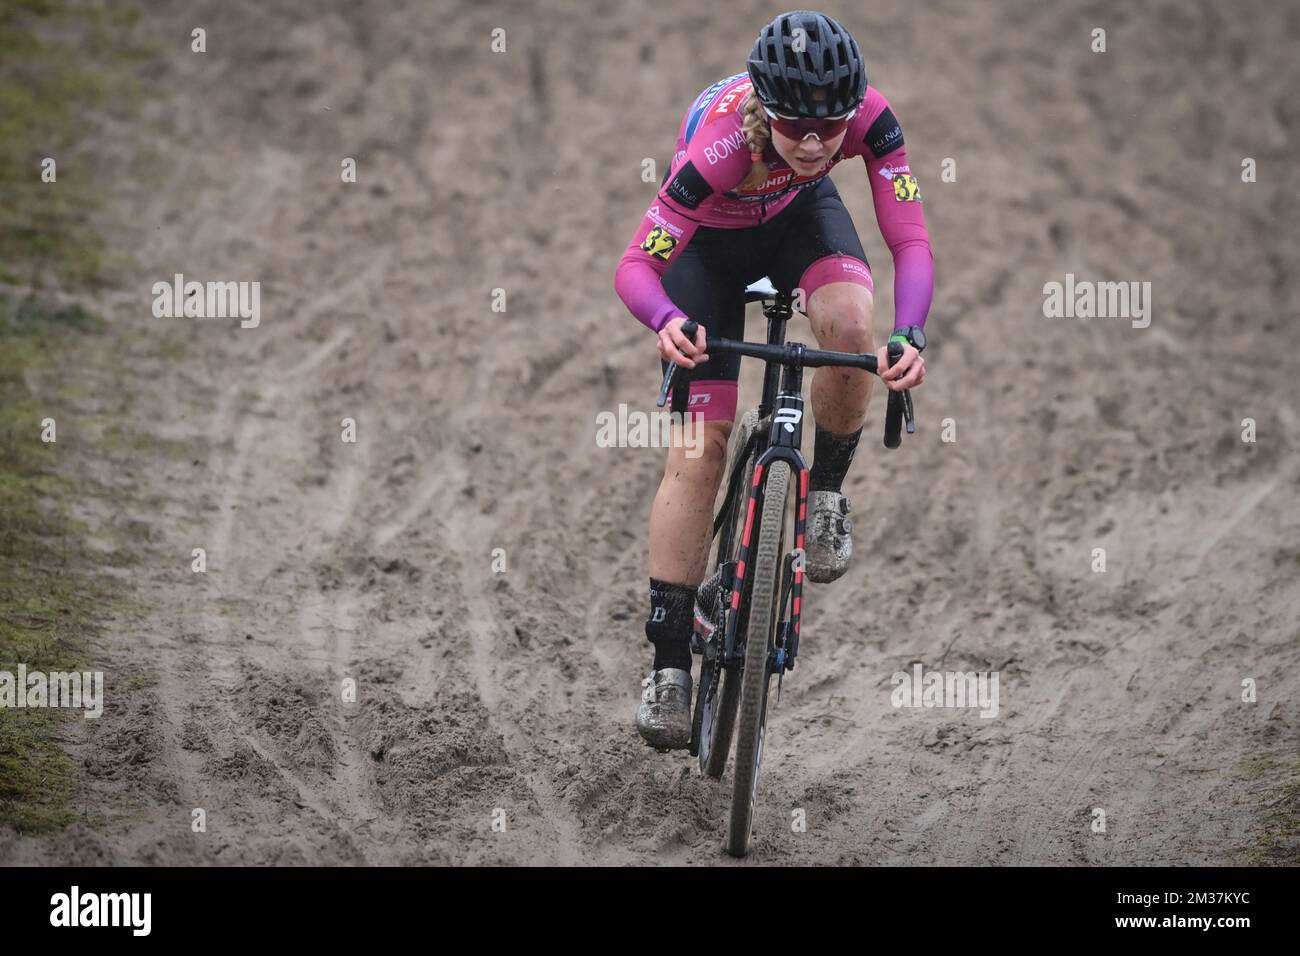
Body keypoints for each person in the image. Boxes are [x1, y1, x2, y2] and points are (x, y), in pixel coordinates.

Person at [613, 10, 934, 750]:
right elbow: (636, 265)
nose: (818, 143)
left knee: (853, 329)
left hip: (796, 221)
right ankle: (668, 667)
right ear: (766, 109)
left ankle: (824, 495)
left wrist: (909, 332)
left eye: (832, 126)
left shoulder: (869, 122)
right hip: (707, 253)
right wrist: (665, 318)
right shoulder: (721, 146)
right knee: (700, 451)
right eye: (798, 129)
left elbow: (909, 236)